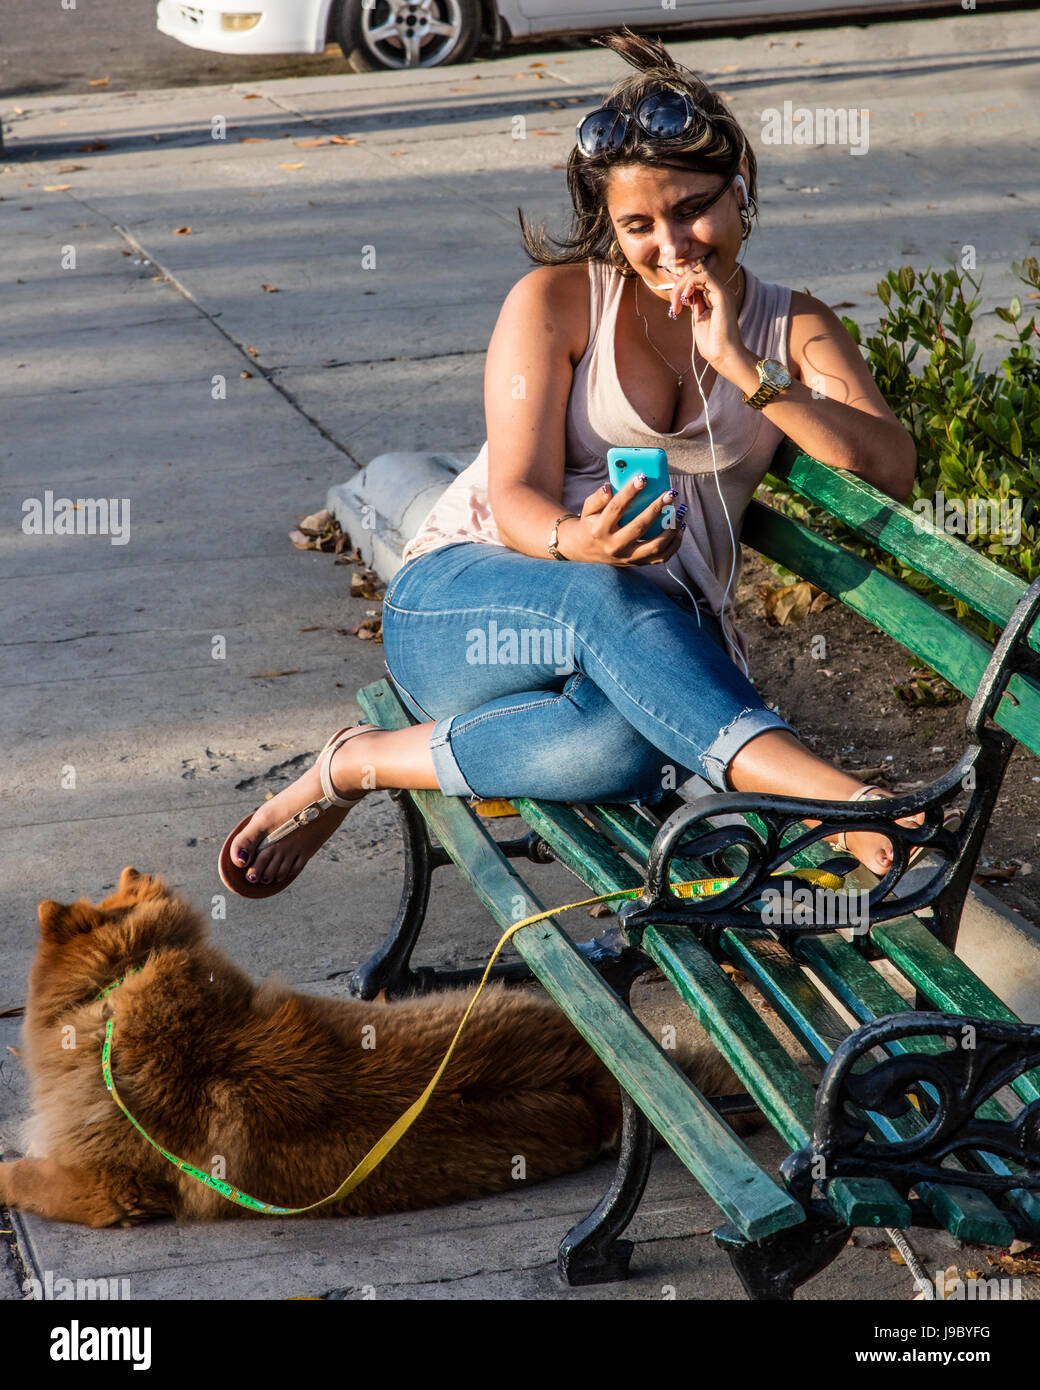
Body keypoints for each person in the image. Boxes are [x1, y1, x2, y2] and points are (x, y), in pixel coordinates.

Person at [220, 29, 918, 899]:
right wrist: (575, 541)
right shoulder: (556, 302)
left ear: (740, 190)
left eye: (694, 208)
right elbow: (513, 498)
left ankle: (362, 763)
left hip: (644, 650)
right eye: (637, 225)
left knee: (625, 746)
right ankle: (834, 799)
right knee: (601, 596)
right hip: (465, 605)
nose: (671, 246)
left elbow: (890, 467)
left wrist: (743, 367)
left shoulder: (789, 326)